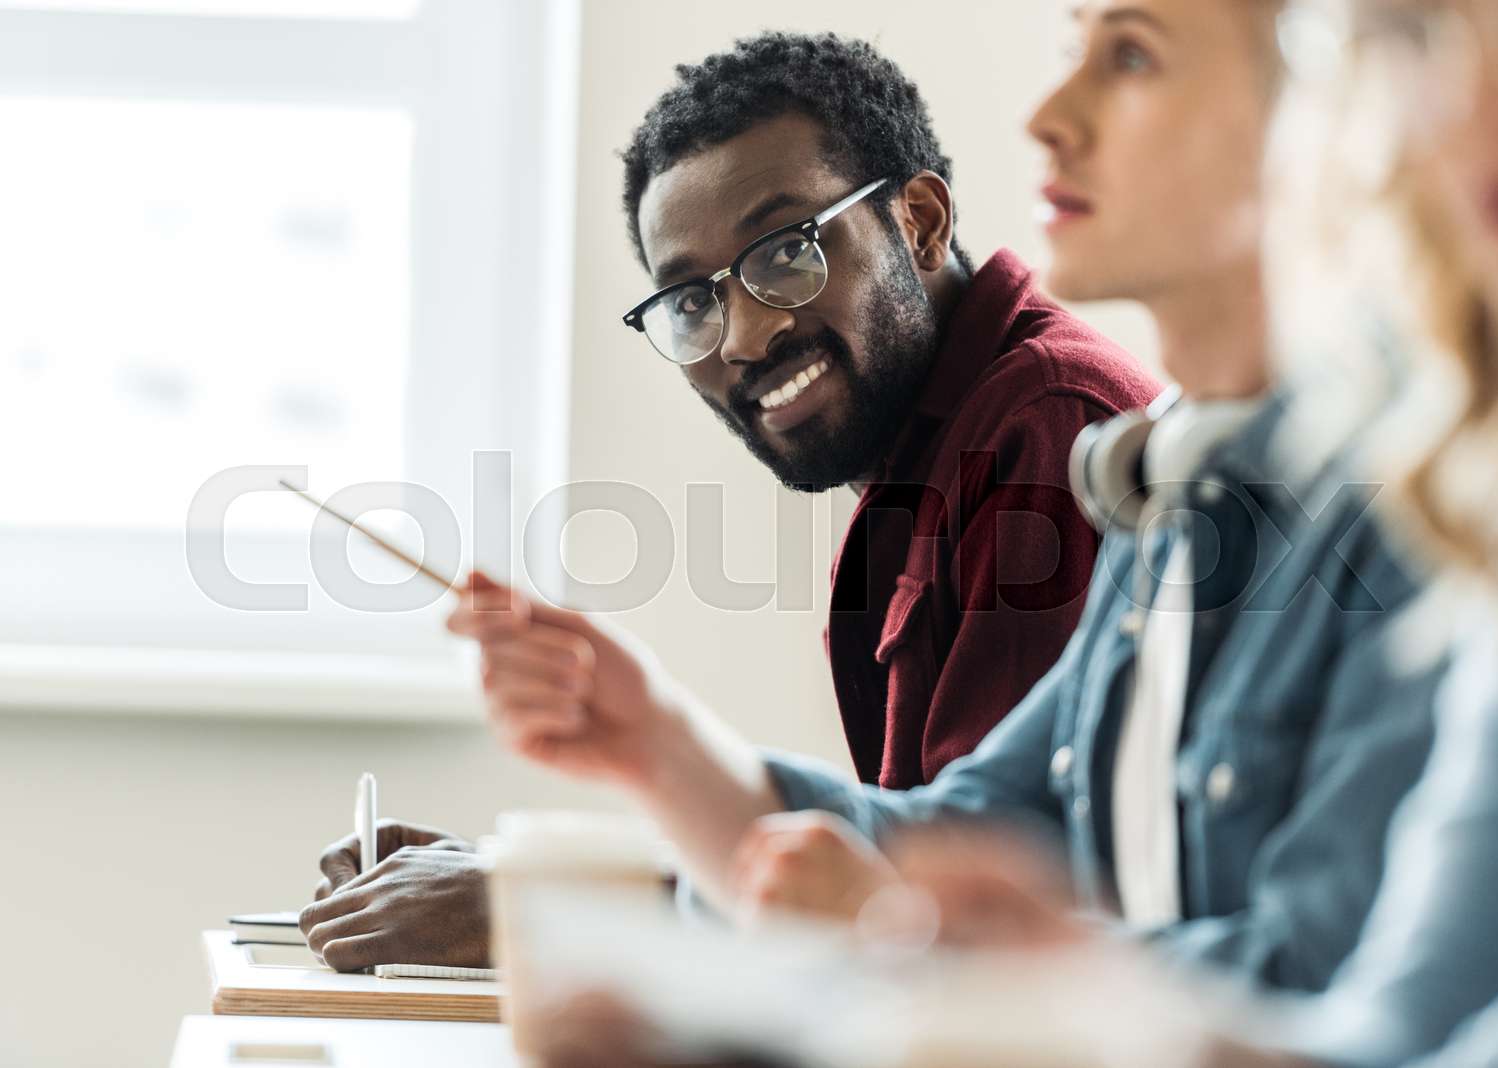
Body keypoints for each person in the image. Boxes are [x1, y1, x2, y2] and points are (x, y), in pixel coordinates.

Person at [466, 0, 1439, 997]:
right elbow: (966, 828)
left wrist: (899, 934)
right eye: (690, 302)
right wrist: (653, 740)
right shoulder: (1165, 484)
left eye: (1132, 55)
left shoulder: (1073, 430)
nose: (1046, 116)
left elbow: (1336, 984)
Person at [296, 31, 1156, 972]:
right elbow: (903, 857)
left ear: (918, 221)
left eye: (788, 253)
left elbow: (976, 904)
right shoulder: (921, 456)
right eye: (692, 303)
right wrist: (534, 873)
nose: (744, 336)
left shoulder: (1048, 430)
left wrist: (550, 904)